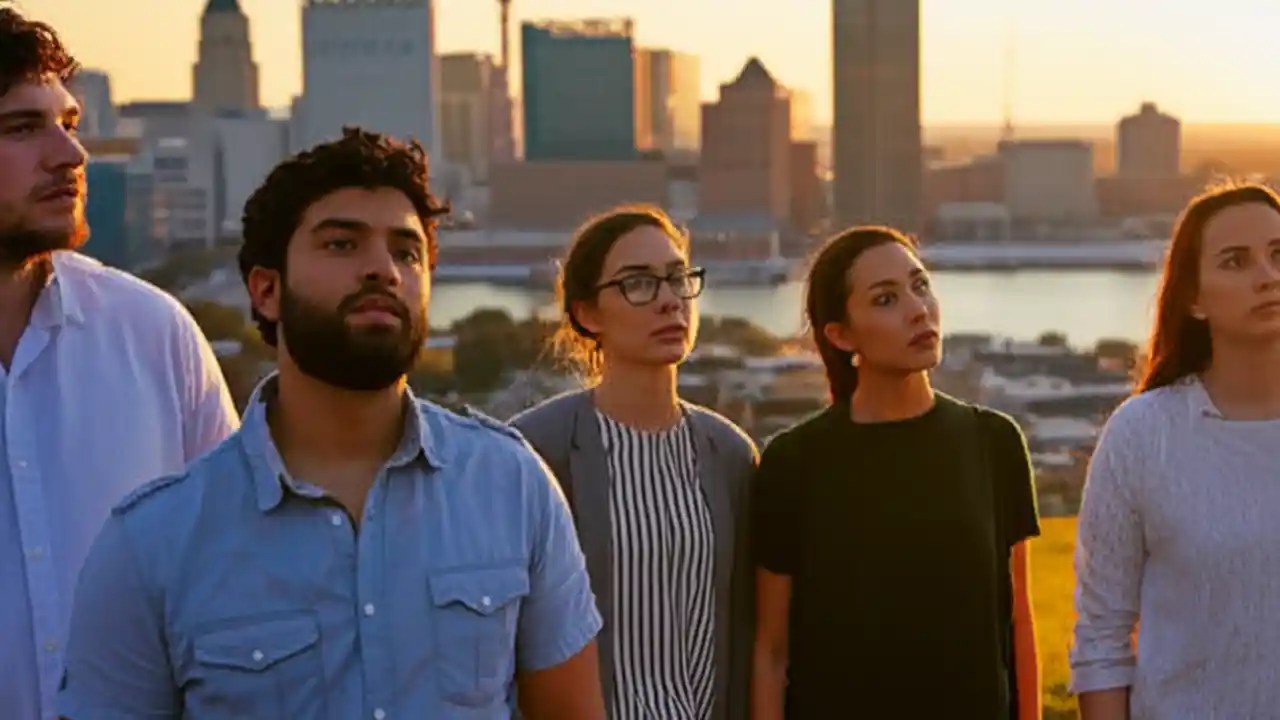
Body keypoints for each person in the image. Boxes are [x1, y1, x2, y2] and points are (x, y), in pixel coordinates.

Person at [57, 127, 606, 720]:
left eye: (406, 251)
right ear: (267, 292)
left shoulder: (512, 487)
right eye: (342, 245)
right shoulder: (153, 543)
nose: (383, 270)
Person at [0, 6, 237, 718]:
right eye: (21, 128)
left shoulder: (154, 334)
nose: (71, 156)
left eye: (69, 124)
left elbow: (241, 586)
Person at [750, 226, 1041, 719]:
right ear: (841, 335)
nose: (918, 309)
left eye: (920, 285)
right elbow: (771, 651)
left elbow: (1017, 625)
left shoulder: (994, 441)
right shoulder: (794, 462)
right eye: (886, 299)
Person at [510, 205, 758, 720]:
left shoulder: (729, 454)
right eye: (638, 284)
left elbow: (747, 629)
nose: (669, 301)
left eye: (676, 278)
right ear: (588, 313)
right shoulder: (536, 450)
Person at [1072, 183, 1280, 719]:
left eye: (1279, 255)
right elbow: (1101, 636)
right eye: (1236, 261)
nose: (1268, 276)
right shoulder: (1144, 434)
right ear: (1193, 298)